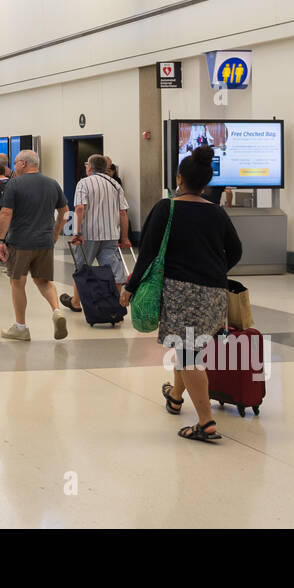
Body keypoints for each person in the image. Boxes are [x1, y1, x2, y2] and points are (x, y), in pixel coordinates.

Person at [121, 146, 243, 443]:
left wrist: (130, 286)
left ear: (179, 178)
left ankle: (206, 422)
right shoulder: (216, 212)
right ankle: (175, 396)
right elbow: (236, 251)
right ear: (206, 183)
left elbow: (148, 253)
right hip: (215, 294)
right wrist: (213, 270)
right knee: (189, 346)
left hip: (181, 293)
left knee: (189, 354)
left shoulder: (168, 207)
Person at [0, 150, 69, 341]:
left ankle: (21, 327)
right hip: (45, 241)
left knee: (17, 282)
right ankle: (57, 311)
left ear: (23, 164)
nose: (13, 166)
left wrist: (0, 240)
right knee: (43, 281)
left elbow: (5, 213)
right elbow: (65, 211)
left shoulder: (15, 184)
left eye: (15, 162)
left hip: (20, 242)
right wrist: (55, 233)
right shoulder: (52, 183)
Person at [65, 153, 132, 312]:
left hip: (88, 235)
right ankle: (115, 304)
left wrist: (76, 232)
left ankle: (76, 302)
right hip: (111, 235)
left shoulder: (84, 183)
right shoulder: (116, 185)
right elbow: (123, 213)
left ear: (90, 167)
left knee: (81, 268)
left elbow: (80, 208)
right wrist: (125, 237)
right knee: (114, 270)